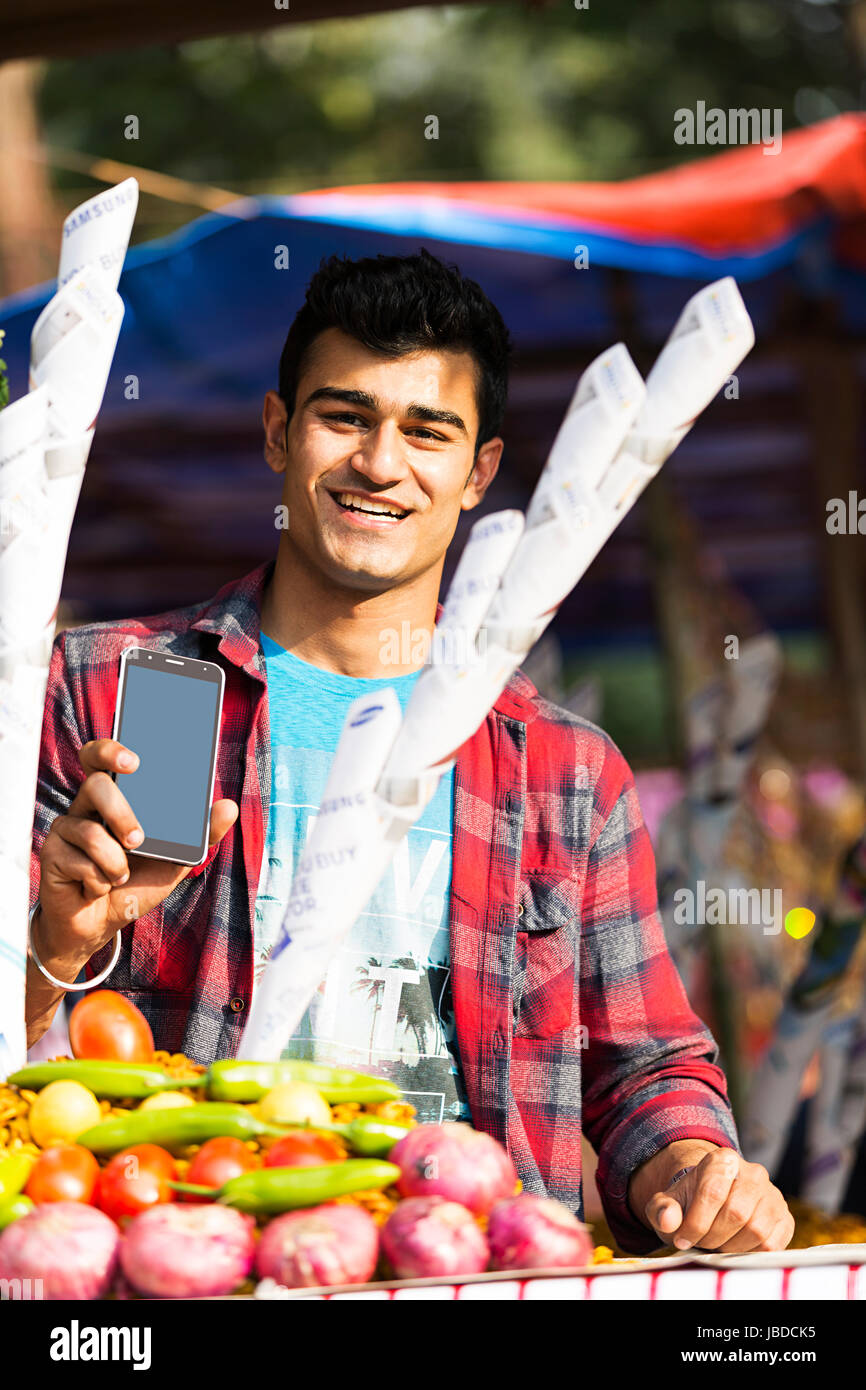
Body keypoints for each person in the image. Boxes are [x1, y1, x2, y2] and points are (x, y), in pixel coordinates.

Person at [27, 249, 793, 1255]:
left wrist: (700, 1171)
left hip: (472, 1267)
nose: (379, 464)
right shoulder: (112, 693)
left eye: (425, 431)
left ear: (476, 472)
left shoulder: (562, 771)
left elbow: (643, 1070)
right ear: (276, 432)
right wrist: (53, 943)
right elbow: (15, 1026)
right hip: (188, 1265)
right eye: (343, 416)